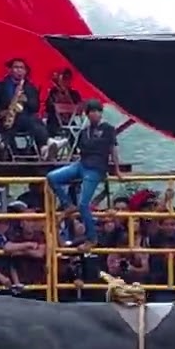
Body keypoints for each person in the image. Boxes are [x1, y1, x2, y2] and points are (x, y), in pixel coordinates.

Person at [46, 100, 119, 249]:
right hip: (82, 164)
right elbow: (79, 150)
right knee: (52, 177)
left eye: (98, 111)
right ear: (88, 114)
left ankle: (92, 238)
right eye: (92, 111)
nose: (95, 114)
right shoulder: (84, 131)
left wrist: (117, 169)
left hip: (96, 168)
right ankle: (68, 204)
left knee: (84, 204)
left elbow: (113, 149)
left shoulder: (108, 129)